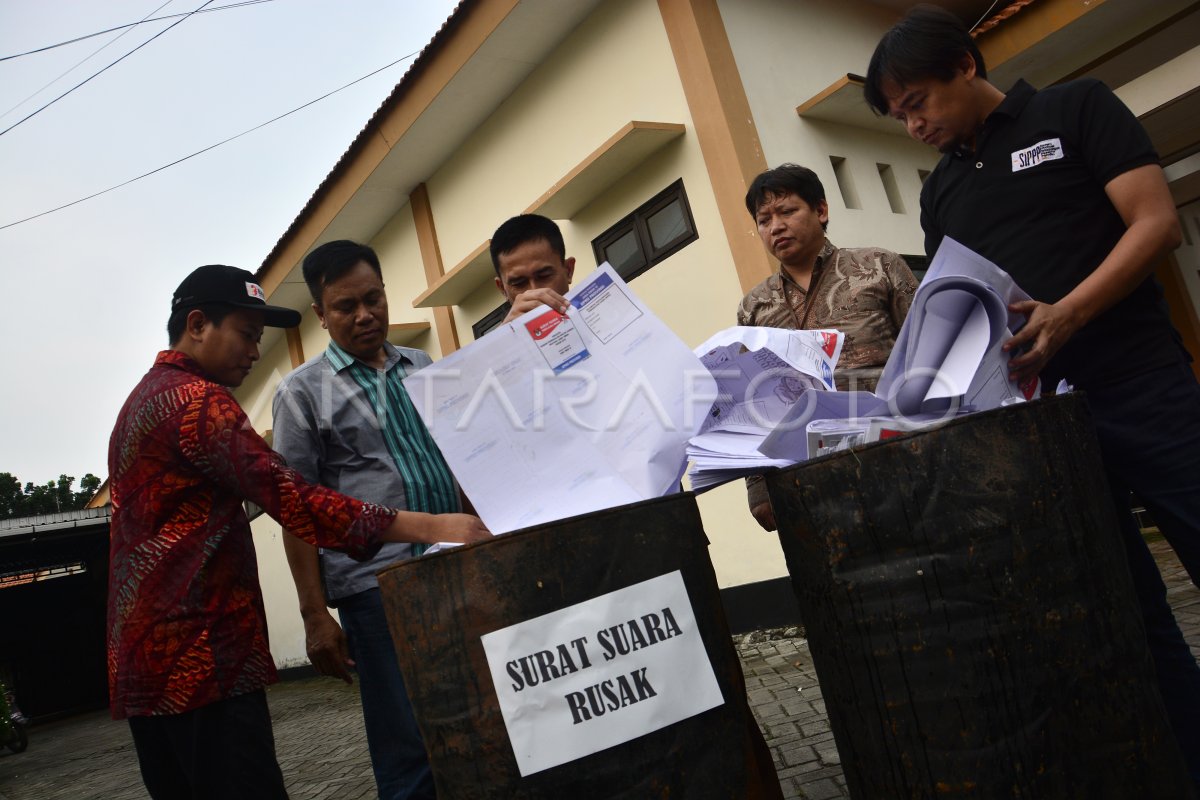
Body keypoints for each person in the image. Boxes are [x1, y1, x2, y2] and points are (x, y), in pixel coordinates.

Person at [864, 5, 1200, 784]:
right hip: (1043, 429)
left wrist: (1072, 310)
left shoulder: (1074, 108)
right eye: (899, 115)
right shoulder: (940, 194)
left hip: (1143, 386)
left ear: (965, 65)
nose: (912, 125)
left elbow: (1155, 225)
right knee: (1126, 615)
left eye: (918, 102)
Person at [107, 264, 490, 800]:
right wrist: (430, 525)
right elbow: (294, 498)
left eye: (258, 338)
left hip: (150, 666)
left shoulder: (141, 403)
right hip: (205, 659)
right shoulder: (198, 401)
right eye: (245, 334)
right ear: (197, 325)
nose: (254, 351)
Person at [272, 241, 463, 800]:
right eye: (345, 306)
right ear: (320, 315)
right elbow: (294, 511)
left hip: (452, 566)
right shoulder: (300, 394)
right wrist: (314, 615)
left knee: (472, 715)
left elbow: (461, 458)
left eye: (374, 299)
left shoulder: (423, 367)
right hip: (377, 590)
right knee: (409, 743)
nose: (364, 316)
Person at [737, 163, 917, 531]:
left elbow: (928, 353)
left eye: (787, 211)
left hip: (899, 452)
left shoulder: (878, 266)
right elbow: (750, 401)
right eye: (764, 219)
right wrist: (758, 488)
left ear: (821, 210)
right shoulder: (753, 306)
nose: (776, 226)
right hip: (805, 478)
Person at [490, 213, 575, 324]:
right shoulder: (502, 339)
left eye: (544, 276)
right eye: (519, 283)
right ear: (502, 288)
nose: (535, 293)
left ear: (568, 270)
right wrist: (506, 337)